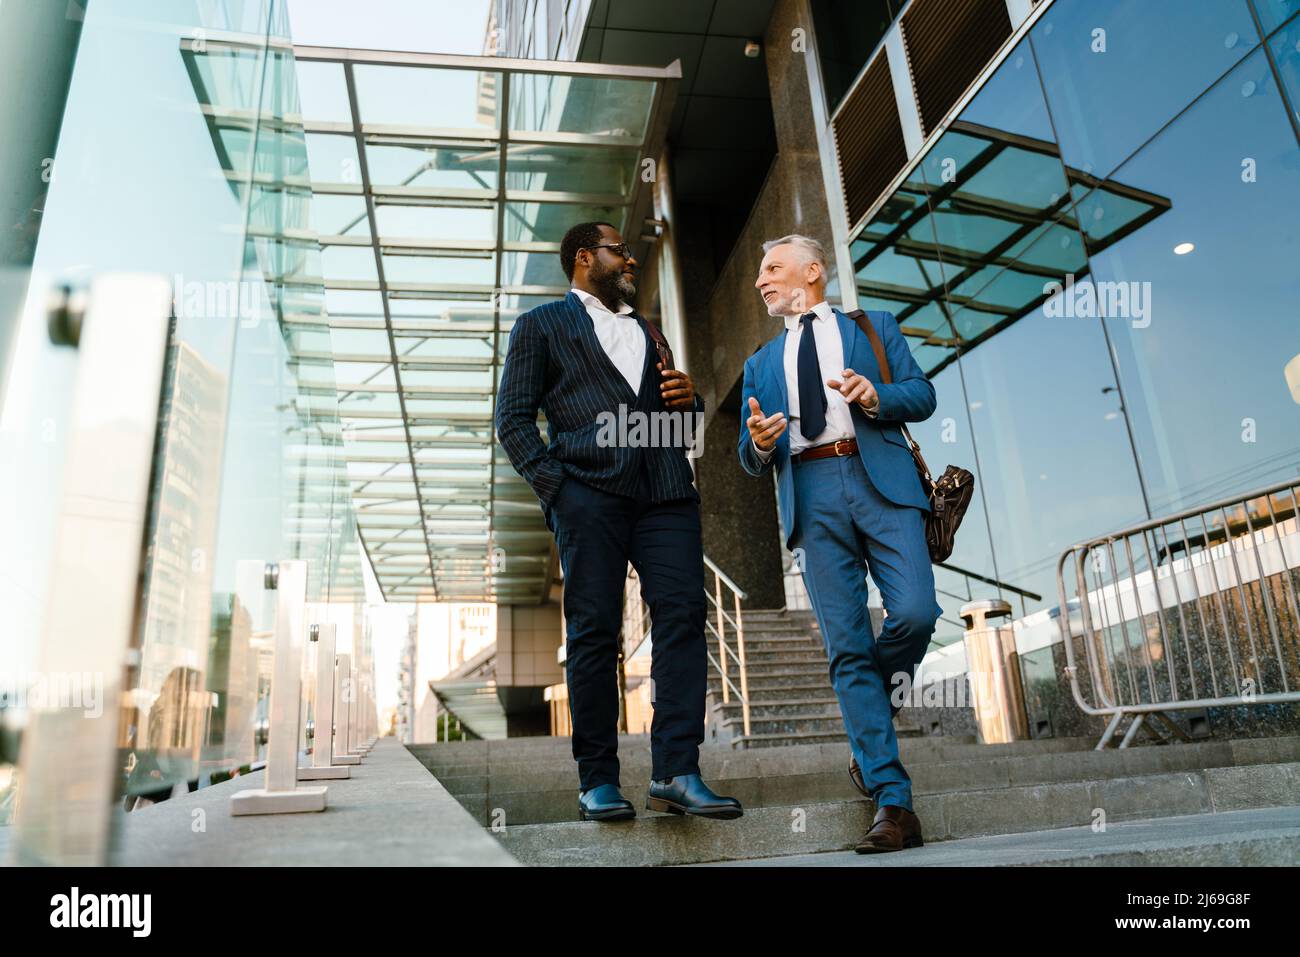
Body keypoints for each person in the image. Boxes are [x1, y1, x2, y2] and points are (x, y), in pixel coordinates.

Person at [496, 221, 742, 822]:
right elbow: (513, 420)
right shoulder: (542, 326)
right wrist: (560, 492)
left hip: (665, 495)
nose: (630, 261)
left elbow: (683, 429)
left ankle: (677, 771)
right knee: (594, 633)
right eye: (619, 252)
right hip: (588, 496)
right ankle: (598, 780)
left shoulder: (648, 330)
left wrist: (693, 404)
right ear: (584, 258)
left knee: (684, 617)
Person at [738, 234, 941, 852]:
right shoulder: (759, 364)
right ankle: (892, 800)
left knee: (914, 612)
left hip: (879, 478)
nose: (761, 280)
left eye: (772, 268)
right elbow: (748, 457)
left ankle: (870, 711)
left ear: (813, 271)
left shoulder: (873, 327)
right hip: (810, 490)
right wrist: (761, 443)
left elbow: (923, 395)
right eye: (759, 271)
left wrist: (878, 396)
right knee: (847, 647)